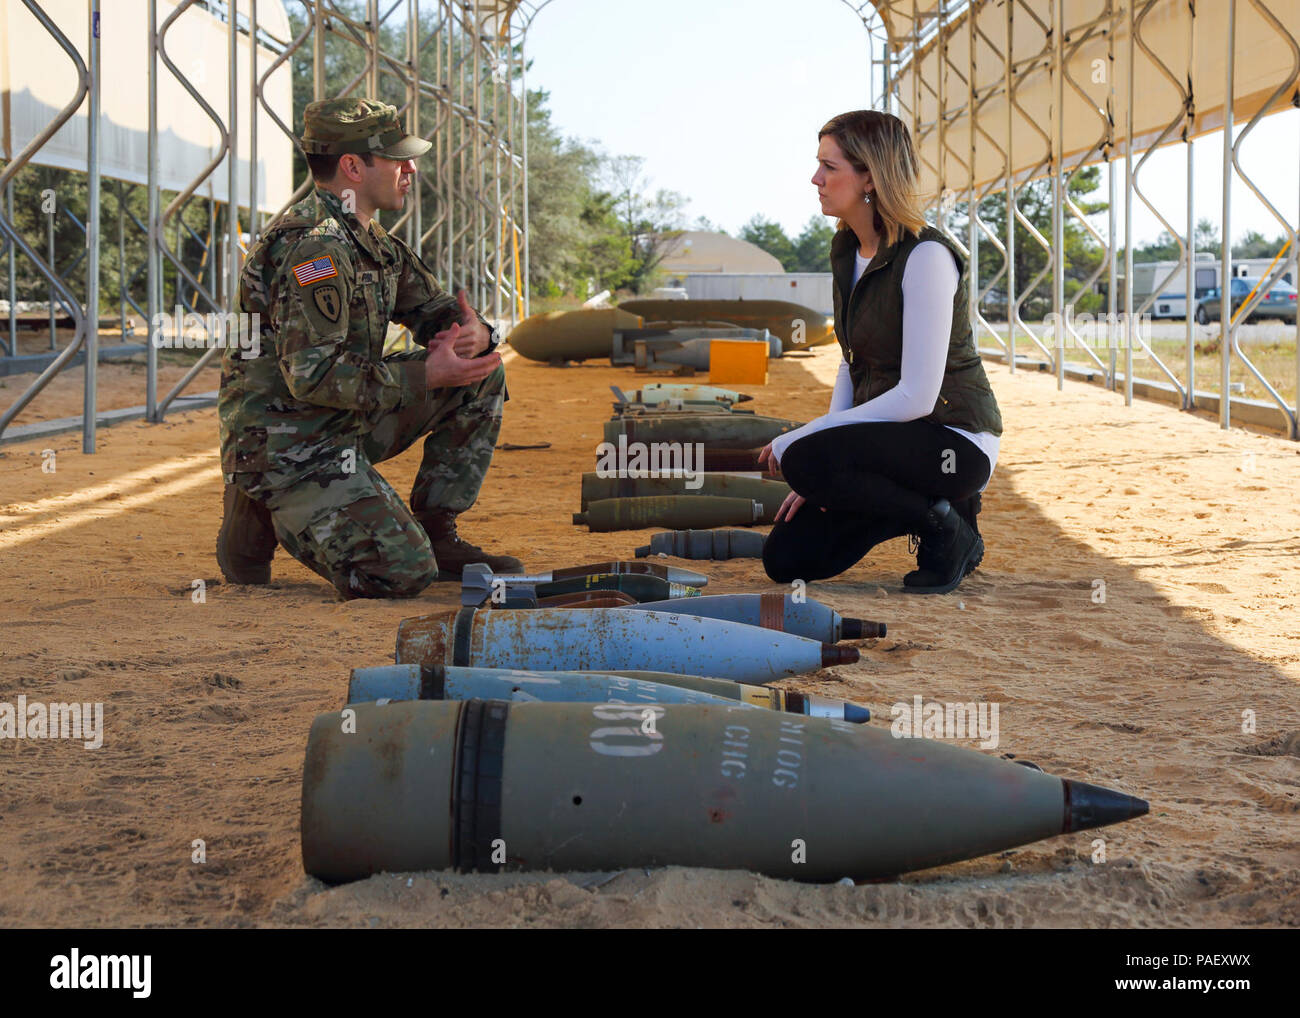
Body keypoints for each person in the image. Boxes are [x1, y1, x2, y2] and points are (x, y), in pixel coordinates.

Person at [217, 98, 523, 598]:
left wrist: (475, 334)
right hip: (286, 441)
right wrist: (428, 376)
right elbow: (312, 376)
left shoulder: (371, 240)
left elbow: (435, 310)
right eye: (397, 159)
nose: (411, 169)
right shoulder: (313, 246)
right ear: (353, 167)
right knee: (399, 573)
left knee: (480, 371)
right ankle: (261, 503)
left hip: (341, 420)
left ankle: (438, 530)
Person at [759, 110, 1003, 594]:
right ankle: (935, 509)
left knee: (806, 459)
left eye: (829, 167)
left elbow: (916, 396)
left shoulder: (926, 255)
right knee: (787, 559)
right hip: (890, 445)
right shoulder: (846, 250)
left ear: (870, 175)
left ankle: (946, 526)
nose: (816, 179)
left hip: (952, 441)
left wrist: (812, 446)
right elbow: (852, 363)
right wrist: (825, 467)